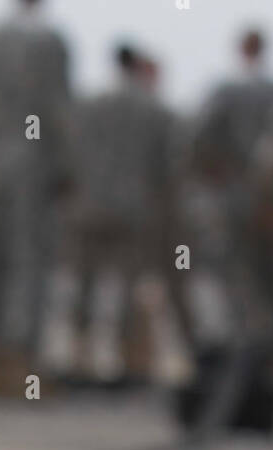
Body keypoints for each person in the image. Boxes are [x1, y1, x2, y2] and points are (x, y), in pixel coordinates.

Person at [0, 0, 71, 390]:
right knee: (25, 260)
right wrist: (65, 167)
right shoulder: (48, 40)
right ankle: (17, 355)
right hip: (30, 163)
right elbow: (57, 108)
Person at [68, 45, 172, 383]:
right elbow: (166, 164)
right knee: (129, 285)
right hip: (133, 209)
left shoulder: (90, 104)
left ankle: (78, 355)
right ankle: (129, 361)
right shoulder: (152, 108)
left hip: (90, 205)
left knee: (84, 281)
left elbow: (72, 150)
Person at [192, 30, 273, 371]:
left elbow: (196, 139)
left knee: (236, 283)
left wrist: (216, 176)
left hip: (234, 201)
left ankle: (243, 359)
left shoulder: (226, 92)